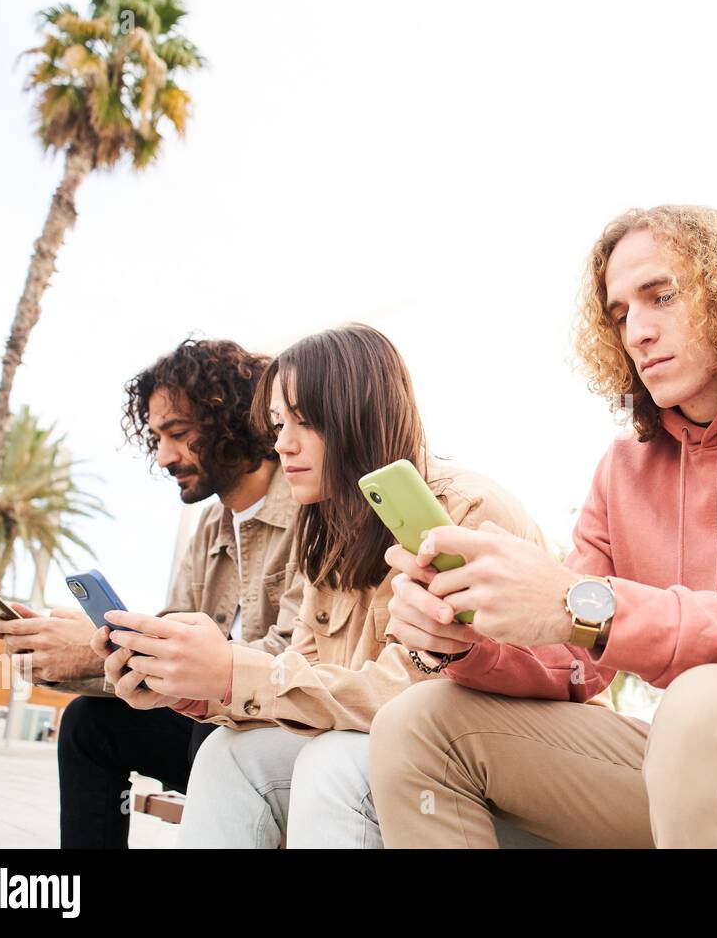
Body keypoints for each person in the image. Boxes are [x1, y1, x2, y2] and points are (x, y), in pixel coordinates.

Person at [369, 204, 717, 848]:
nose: (637, 331)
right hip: (695, 760)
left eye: (660, 297)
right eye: (619, 315)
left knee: (704, 705)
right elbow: (573, 660)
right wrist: (465, 640)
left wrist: (596, 608)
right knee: (416, 724)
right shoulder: (623, 470)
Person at [95, 324, 562, 848]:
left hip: (502, 782)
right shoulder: (330, 529)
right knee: (228, 755)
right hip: (388, 759)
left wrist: (231, 671)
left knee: (335, 762)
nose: (282, 443)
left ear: (360, 417)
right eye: (276, 423)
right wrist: (197, 689)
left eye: (306, 421)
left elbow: (413, 694)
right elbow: (306, 674)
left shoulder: (467, 510)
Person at [0, 338, 302, 848]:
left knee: (215, 727)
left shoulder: (307, 509)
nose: (163, 457)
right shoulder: (210, 525)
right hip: (212, 726)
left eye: (177, 434)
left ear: (229, 419)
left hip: (276, 733)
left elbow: (292, 667)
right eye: (157, 437)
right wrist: (93, 653)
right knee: (89, 724)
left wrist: (96, 653)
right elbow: (171, 667)